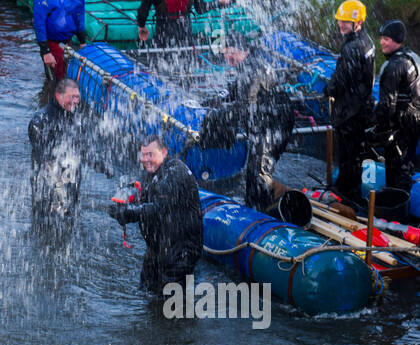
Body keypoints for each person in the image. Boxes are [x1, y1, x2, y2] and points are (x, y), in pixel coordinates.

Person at [107, 134, 203, 299]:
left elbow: (159, 208)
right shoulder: (151, 172)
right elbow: (143, 195)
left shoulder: (175, 172)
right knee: (146, 289)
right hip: (159, 246)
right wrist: (124, 201)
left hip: (181, 250)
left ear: (164, 152)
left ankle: (180, 323)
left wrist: (129, 213)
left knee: (171, 303)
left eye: (150, 154)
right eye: (143, 155)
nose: (145, 159)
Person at [219, 36, 296, 211]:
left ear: (244, 52)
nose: (227, 57)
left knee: (260, 171)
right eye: (225, 53)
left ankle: (263, 211)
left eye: (231, 52)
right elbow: (233, 92)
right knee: (253, 169)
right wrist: (213, 101)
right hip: (265, 122)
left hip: (275, 124)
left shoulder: (252, 69)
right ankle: (253, 206)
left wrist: (222, 117)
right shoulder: (247, 65)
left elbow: (245, 105)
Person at [325, 1, 375, 204]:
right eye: (340, 21)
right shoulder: (366, 41)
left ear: (358, 22)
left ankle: (346, 195)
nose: (341, 25)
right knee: (355, 155)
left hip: (350, 111)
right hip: (360, 107)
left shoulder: (353, 47)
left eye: (346, 22)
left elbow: (341, 79)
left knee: (348, 155)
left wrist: (327, 90)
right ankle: (349, 191)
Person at [29, 78, 90, 230]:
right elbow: (41, 154)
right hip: (47, 186)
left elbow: (83, 149)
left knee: (70, 225)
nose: (75, 101)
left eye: (77, 97)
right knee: (45, 227)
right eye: (71, 97)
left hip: (71, 185)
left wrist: (100, 163)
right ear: (58, 95)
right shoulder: (40, 120)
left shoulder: (76, 120)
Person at [372, 20, 420, 192]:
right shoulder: (413, 57)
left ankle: (394, 206)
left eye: (386, 39)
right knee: (407, 164)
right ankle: (403, 200)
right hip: (414, 120)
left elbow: (387, 105)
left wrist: (382, 131)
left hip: (400, 124)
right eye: (381, 38)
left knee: (395, 167)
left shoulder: (394, 66)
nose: (381, 42)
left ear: (397, 39)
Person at [136, 0, 229, 49]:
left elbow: (143, 10)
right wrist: (219, 3)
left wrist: (142, 26)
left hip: (163, 32)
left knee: (163, 64)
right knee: (186, 63)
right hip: (185, 31)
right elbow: (200, 8)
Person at [33, 0, 87, 83]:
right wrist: (46, 52)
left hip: (68, 41)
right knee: (55, 80)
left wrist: (82, 42)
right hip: (52, 43)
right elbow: (39, 24)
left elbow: (79, 17)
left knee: (65, 75)